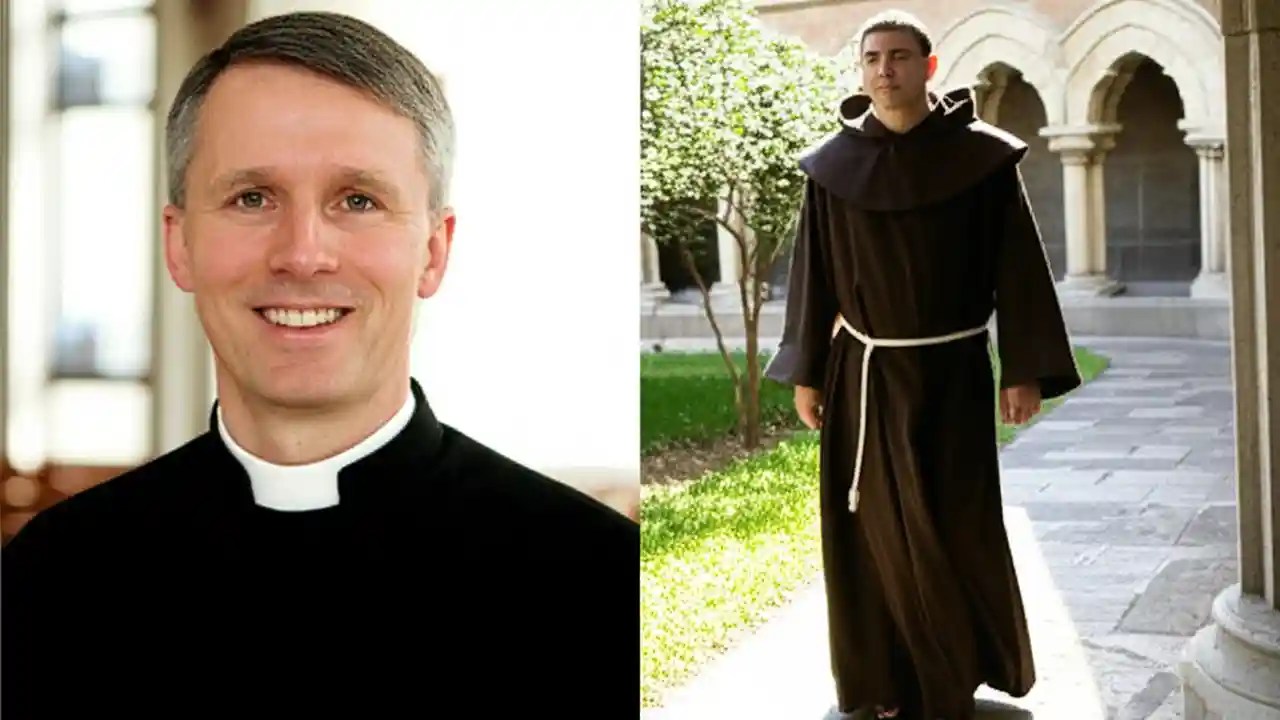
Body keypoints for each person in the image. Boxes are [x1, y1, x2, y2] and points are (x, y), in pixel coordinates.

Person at [1, 11, 638, 717]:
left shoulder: (600, 581)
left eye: (358, 201)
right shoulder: (54, 576)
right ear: (179, 245)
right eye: (252, 198)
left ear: (433, 249)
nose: (302, 254)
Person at [765, 10, 1081, 720]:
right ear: (861, 70)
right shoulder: (831, 168)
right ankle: (883, 684)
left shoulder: (983, 160)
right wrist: (809, 369)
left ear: (929, 67)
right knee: (874, 529)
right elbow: (813, 275)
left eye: (900, 56)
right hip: (867, 380)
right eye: (873, 57)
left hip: (952, 374)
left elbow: (1019, 269)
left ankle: (956, 676)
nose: (885, 69)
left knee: (953, 525)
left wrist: (1023, 368)